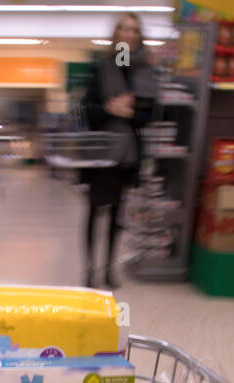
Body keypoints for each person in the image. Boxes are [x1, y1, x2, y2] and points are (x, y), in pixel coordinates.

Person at [80, 14, 157, 289]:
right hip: (100, 153)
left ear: (139, 35)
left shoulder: (146, 73)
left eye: (134, 29)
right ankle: (89, 269)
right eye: (123, 28)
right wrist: (109, 109)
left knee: (116, 214)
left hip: (127, 155)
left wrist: (130, 113)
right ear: (116, 34)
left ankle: (109, 269)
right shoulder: (100, 69)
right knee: (93, 211)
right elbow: (86, 110)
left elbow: (149, 118)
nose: (128, 33)